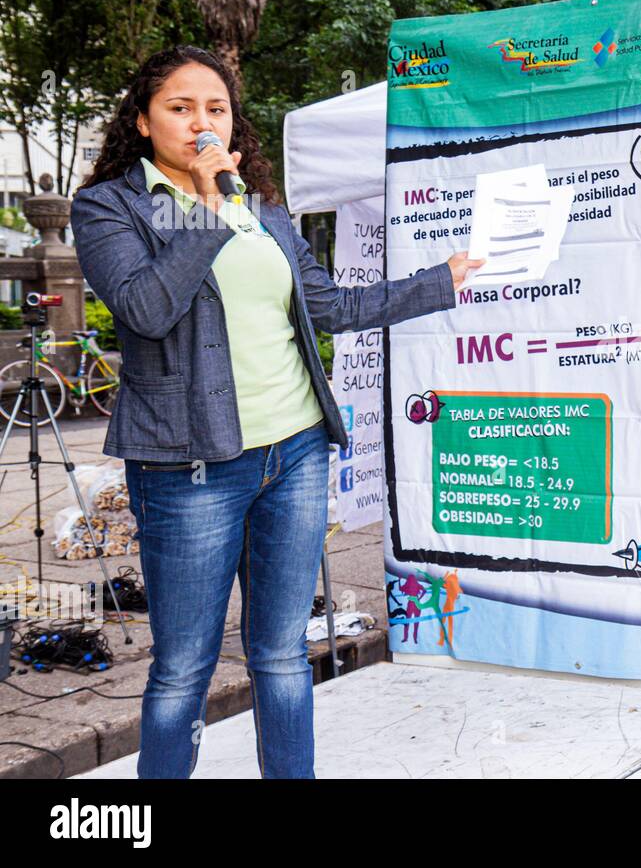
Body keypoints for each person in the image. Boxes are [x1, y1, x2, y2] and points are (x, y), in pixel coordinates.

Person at [70, 45, 483, 778]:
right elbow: (144, 308)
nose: (202, 120)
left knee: (284, 653)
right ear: (142, 121)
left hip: (293, 453)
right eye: (181, 106)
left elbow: (330, 306)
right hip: (192, 467)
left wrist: (439, 281)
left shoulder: (259, 210)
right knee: (183, 669)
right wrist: (200, 203)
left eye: (216, 108)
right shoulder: (109, 207)